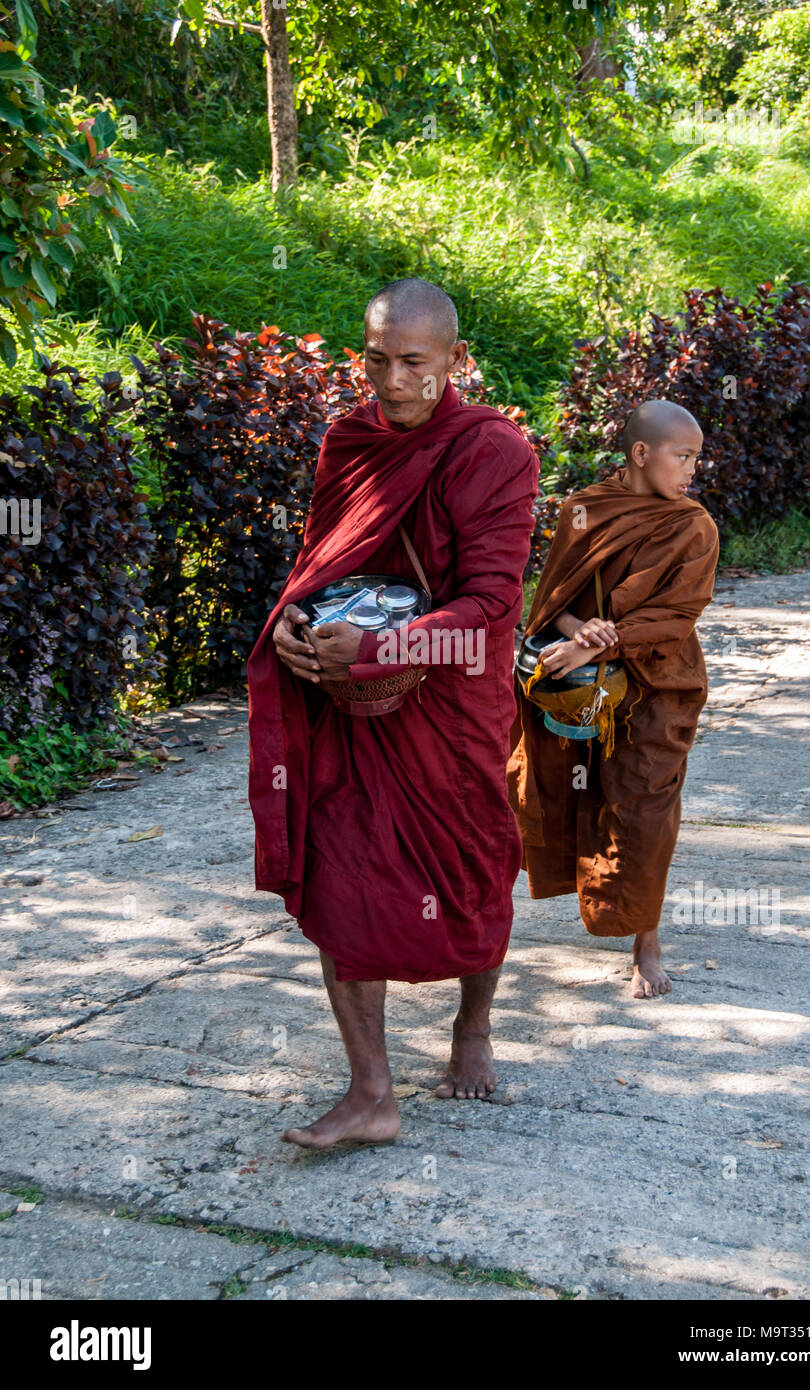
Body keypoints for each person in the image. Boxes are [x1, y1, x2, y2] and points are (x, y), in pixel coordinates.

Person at [247, 277, 539, 1148]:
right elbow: (322, 563)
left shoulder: (494, 450)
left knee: (471, 872)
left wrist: (383, 647)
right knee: (343, 878)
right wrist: (295, 626)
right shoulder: (349, 440)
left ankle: (472, 1027)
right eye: (376, 359)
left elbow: (491, 602)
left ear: (454, 359)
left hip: (451, 694)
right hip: (350, 698)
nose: (392, 380)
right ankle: (371, 1093)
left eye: (413, 362)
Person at [507, 399, 719, 998]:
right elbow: (553, 599)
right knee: (567, 787)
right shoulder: (585, 510)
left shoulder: (693, 525)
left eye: (696, 458)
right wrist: (580, 632)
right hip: (579, 683)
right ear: (641, 454)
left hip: (660, 683)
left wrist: (606, 641)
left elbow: (678, 613)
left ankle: (645, 943)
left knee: (644, 806)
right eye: (683, 457)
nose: (691, 470)